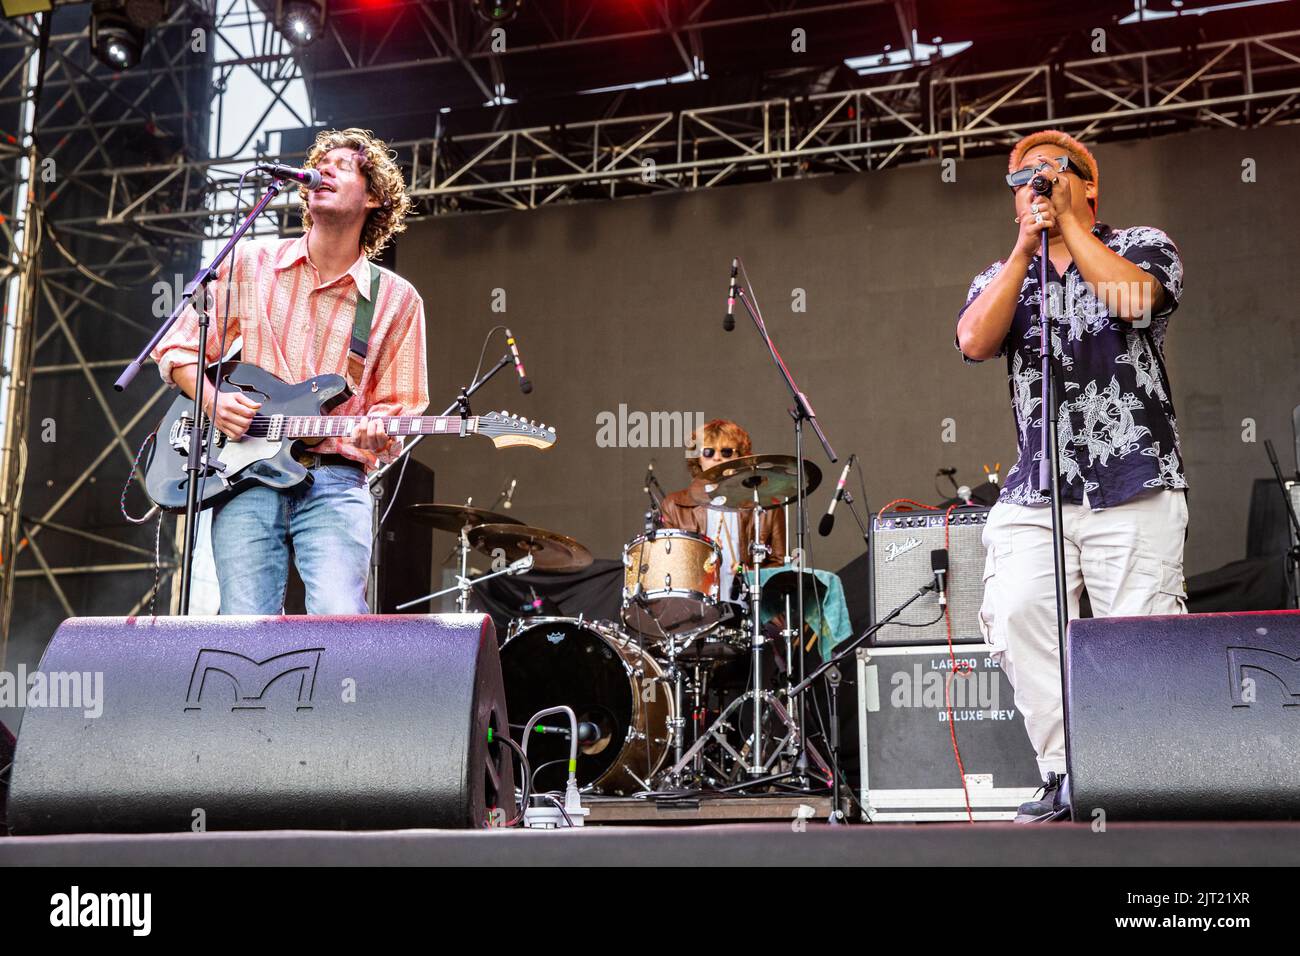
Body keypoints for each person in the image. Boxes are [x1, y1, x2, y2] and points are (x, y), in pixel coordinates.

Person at [955, 129, 1187, 822]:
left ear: (1089, 185)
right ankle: (1063, 772)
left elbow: (1135, 302)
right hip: (1036, 490)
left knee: (1138, 633)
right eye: (1026, 178)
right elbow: (973, 340)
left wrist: (1074, 231)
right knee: (1019, 609)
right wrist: (1028, 249)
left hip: (1134, 478)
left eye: (1054, 173)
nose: (1039, 184)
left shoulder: (1143, 245)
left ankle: (1136, 779)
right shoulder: (1002, 273)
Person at [152, 128, 429, 615]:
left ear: (374, 198)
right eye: (321, 164)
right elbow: (176, 346)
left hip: (336, 481)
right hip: (245, 476)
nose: (324, 171)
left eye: (343, 166)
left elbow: (397, 408)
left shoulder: (396, 299)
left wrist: (377, 433)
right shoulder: (251, 262)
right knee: (244, 629)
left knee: (339, 623)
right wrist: (214, 402)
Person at [658, 419, 787, 605]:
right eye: (708, 452)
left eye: (726, 452)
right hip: (694, 611)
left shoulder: (766, 506)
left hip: (751, 610)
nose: (717, 458)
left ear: (739, 457)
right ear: (698, 459)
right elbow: (667, 565)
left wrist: (746, 573)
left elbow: (780, 566)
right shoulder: (674, 505)